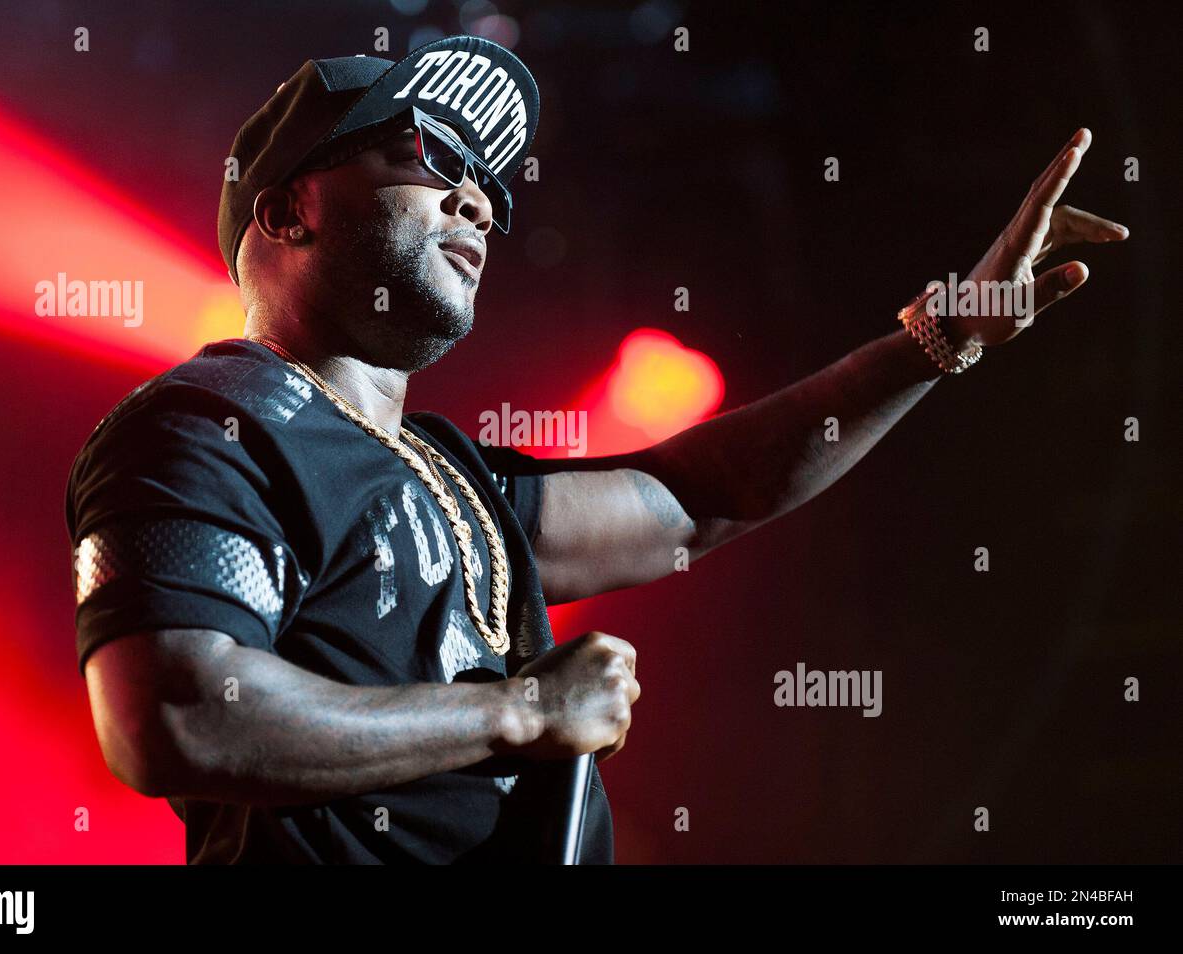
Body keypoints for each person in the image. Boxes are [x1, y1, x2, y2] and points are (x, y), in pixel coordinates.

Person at [66, 35, 1128, 864]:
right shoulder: (207, 426)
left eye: (488, 178)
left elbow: (700, 501)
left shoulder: (453, 477)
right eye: (425, 154)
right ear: (289, 208)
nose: (476, 195)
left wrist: (932, 343)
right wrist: (519, 710)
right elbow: (177, 714)